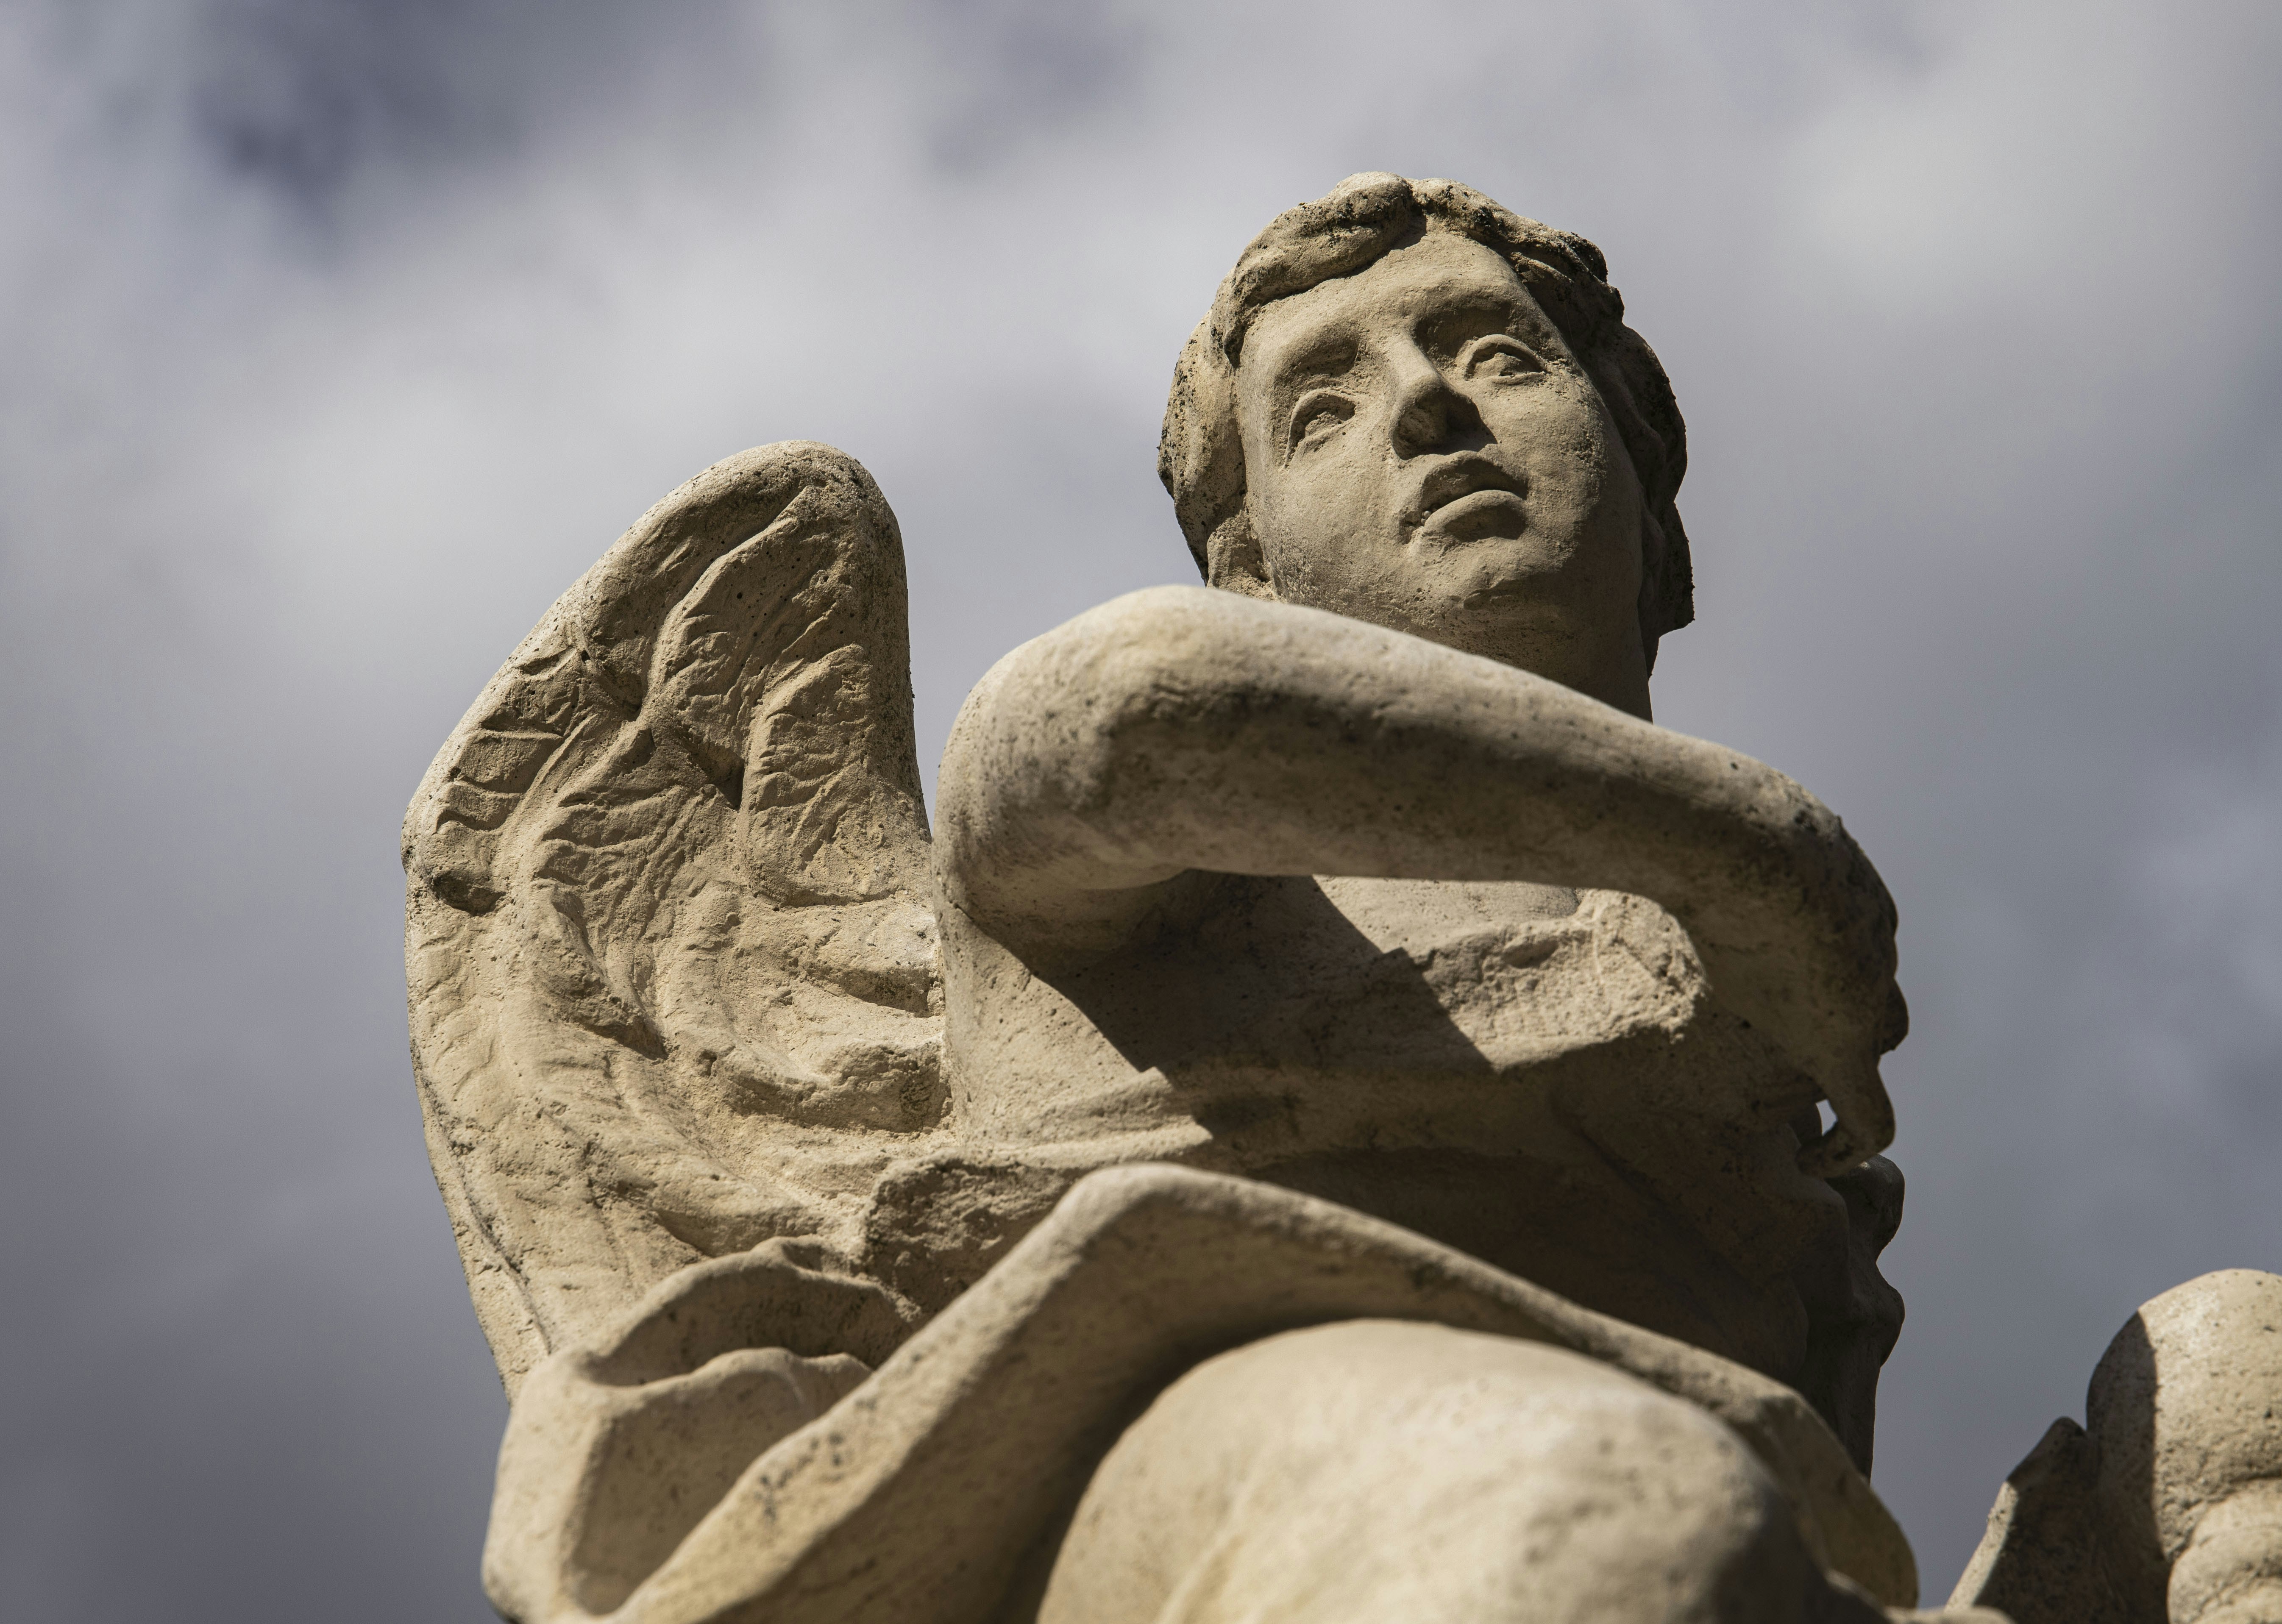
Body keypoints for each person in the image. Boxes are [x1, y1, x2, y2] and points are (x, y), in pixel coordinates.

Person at [440, 175, 1950, 1624]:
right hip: (1257, 1443)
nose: (1430, 408)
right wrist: (1742, 842)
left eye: (1498, 354)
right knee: (1604, 1514)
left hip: (1740, 1499)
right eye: (1323, 411)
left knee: (2197, 1378)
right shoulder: (1190, 870)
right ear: (1257, 573)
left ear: (1648, 491)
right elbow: (1123, 711)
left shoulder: (1740, 1024)